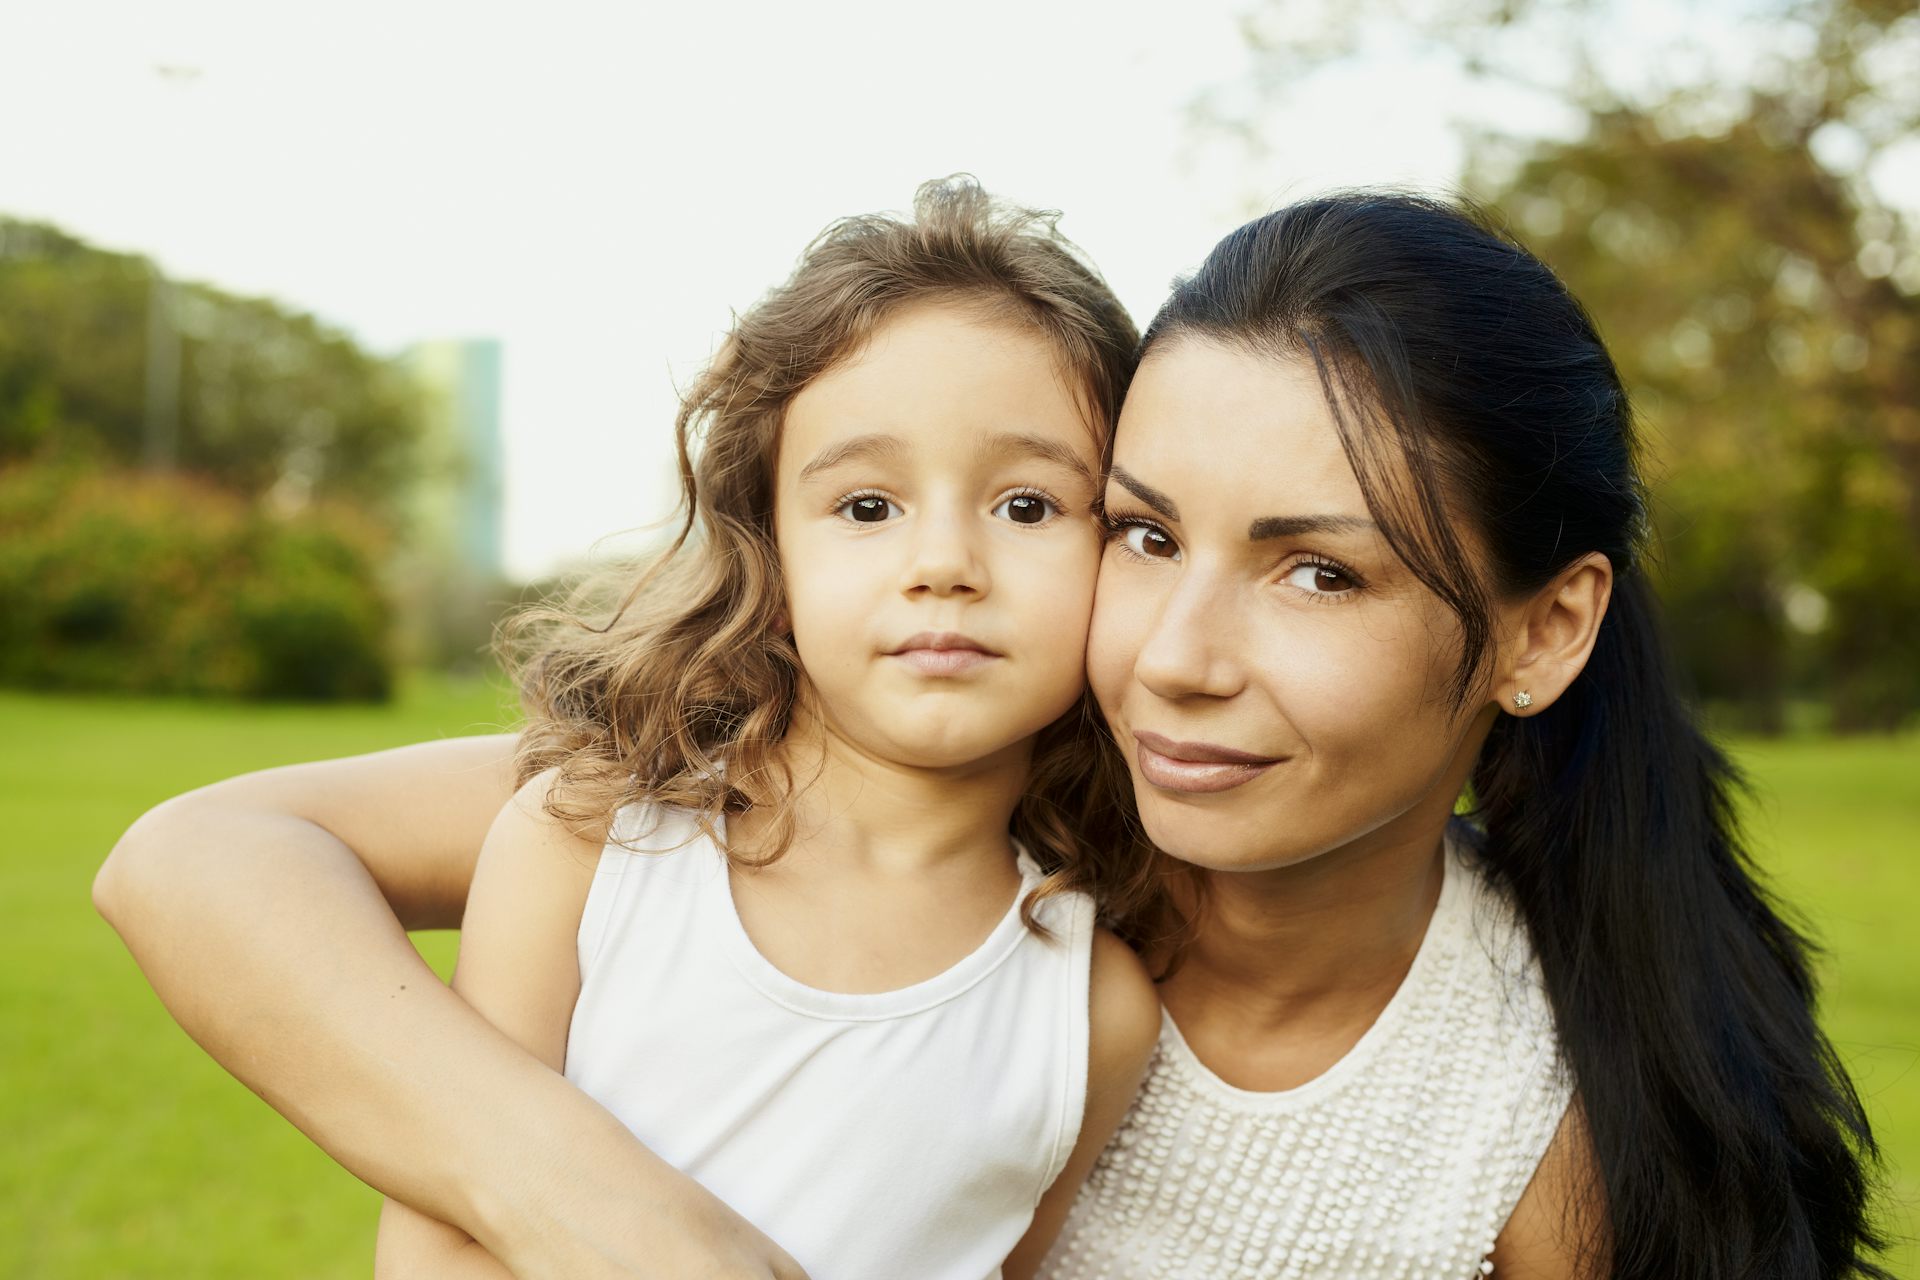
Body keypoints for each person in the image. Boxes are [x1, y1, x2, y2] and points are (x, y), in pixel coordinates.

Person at [96, 191, 1886, 1279]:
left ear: (1541, 629)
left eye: (1318, 574)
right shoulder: (793, 794)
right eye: (1147, 531)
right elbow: (198, 860)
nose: (1177, 658)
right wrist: (596, 1211)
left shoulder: (1528, 1111)